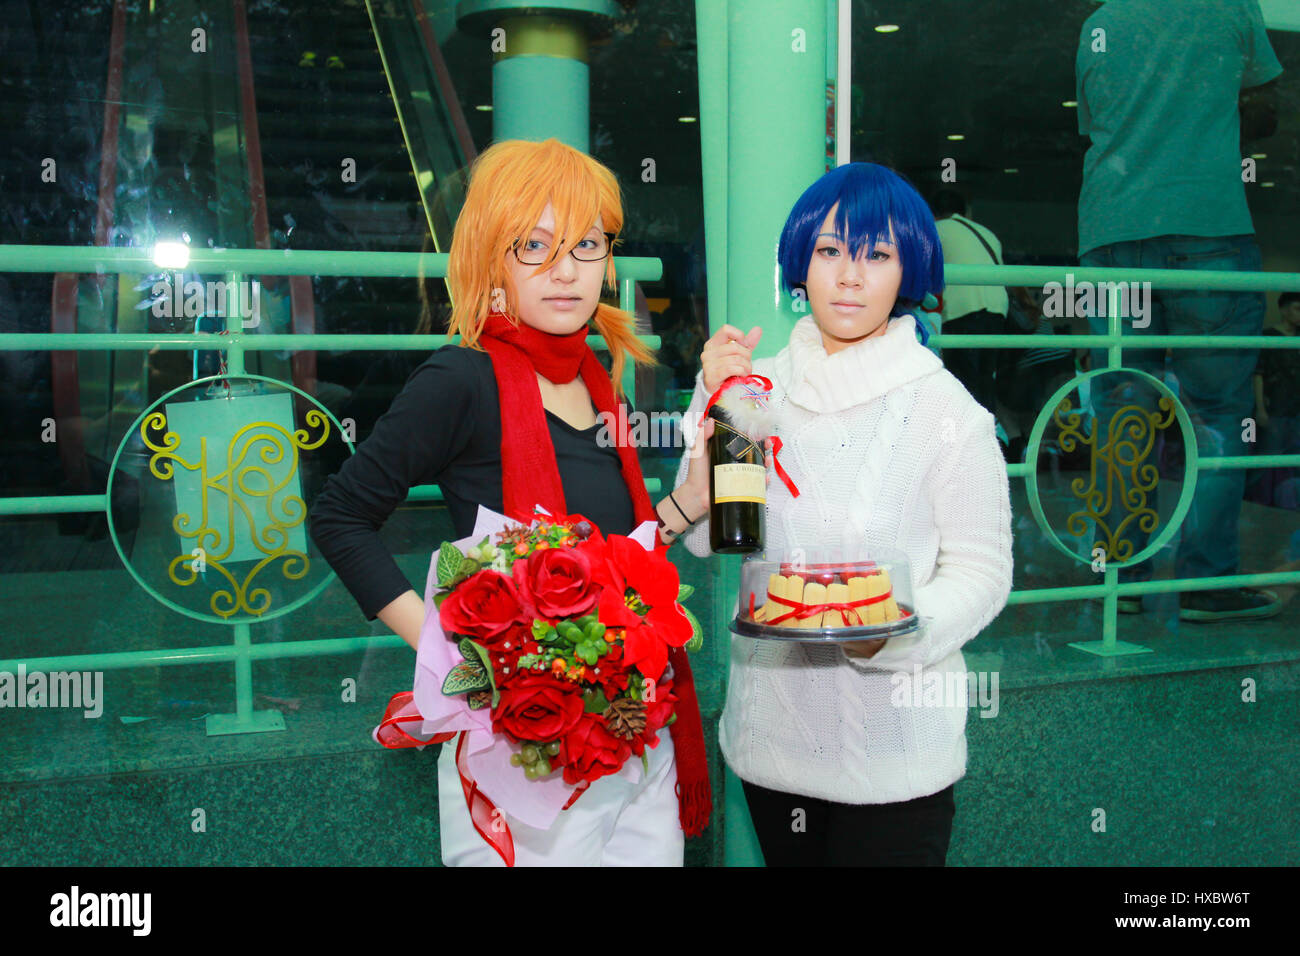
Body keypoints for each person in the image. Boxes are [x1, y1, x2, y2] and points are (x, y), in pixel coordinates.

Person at [308, 138, 716, 866]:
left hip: (632, 733)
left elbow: (617, 562)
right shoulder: (461, 380)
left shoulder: (599, 382)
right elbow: (340, 515)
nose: (565, 271)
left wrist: (687, 502)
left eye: (585, 245)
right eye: (534, 245)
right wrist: (454, 651)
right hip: (520, 758)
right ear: (491, 259)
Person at [674, 162, 1014, 866]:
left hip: (897, 759)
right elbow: (708, 537)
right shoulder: (757, 388)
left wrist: (890, 637)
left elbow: (983, 571)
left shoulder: (946, 410)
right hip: (772, 746)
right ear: (802, 263)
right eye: (830, 251)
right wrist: (713, 402)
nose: (851, 276)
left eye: (878, 255)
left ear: (907, 272)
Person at [1075, 0, 1283, 621]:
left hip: (1112, 229)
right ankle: (1206, 583)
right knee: (1217, 410)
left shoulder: (1100, 24)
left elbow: (1095, 126)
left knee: (1121, 405)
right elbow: (1266, 108)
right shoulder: (1230, 9)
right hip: (1208, 224)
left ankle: (1122, 573)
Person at [930, 189, 1012, 417]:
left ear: (933, 214)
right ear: (964, 212)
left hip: (963, 310)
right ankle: (986, 440)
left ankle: (967, 444)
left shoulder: (937, 229)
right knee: (985, 384)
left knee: (962, 386)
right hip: (997, 312)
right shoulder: (988, 233)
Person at [1250, 292, 1300, 509]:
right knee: (1266, 458)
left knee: (1294, 459)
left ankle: (1290, 502)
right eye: (1297, 308)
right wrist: (1260, 408)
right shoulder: (1268, 337)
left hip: (1295, 408)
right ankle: (1256, 501)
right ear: (1283, 309)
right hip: (1274, 408)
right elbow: (1257, 374)